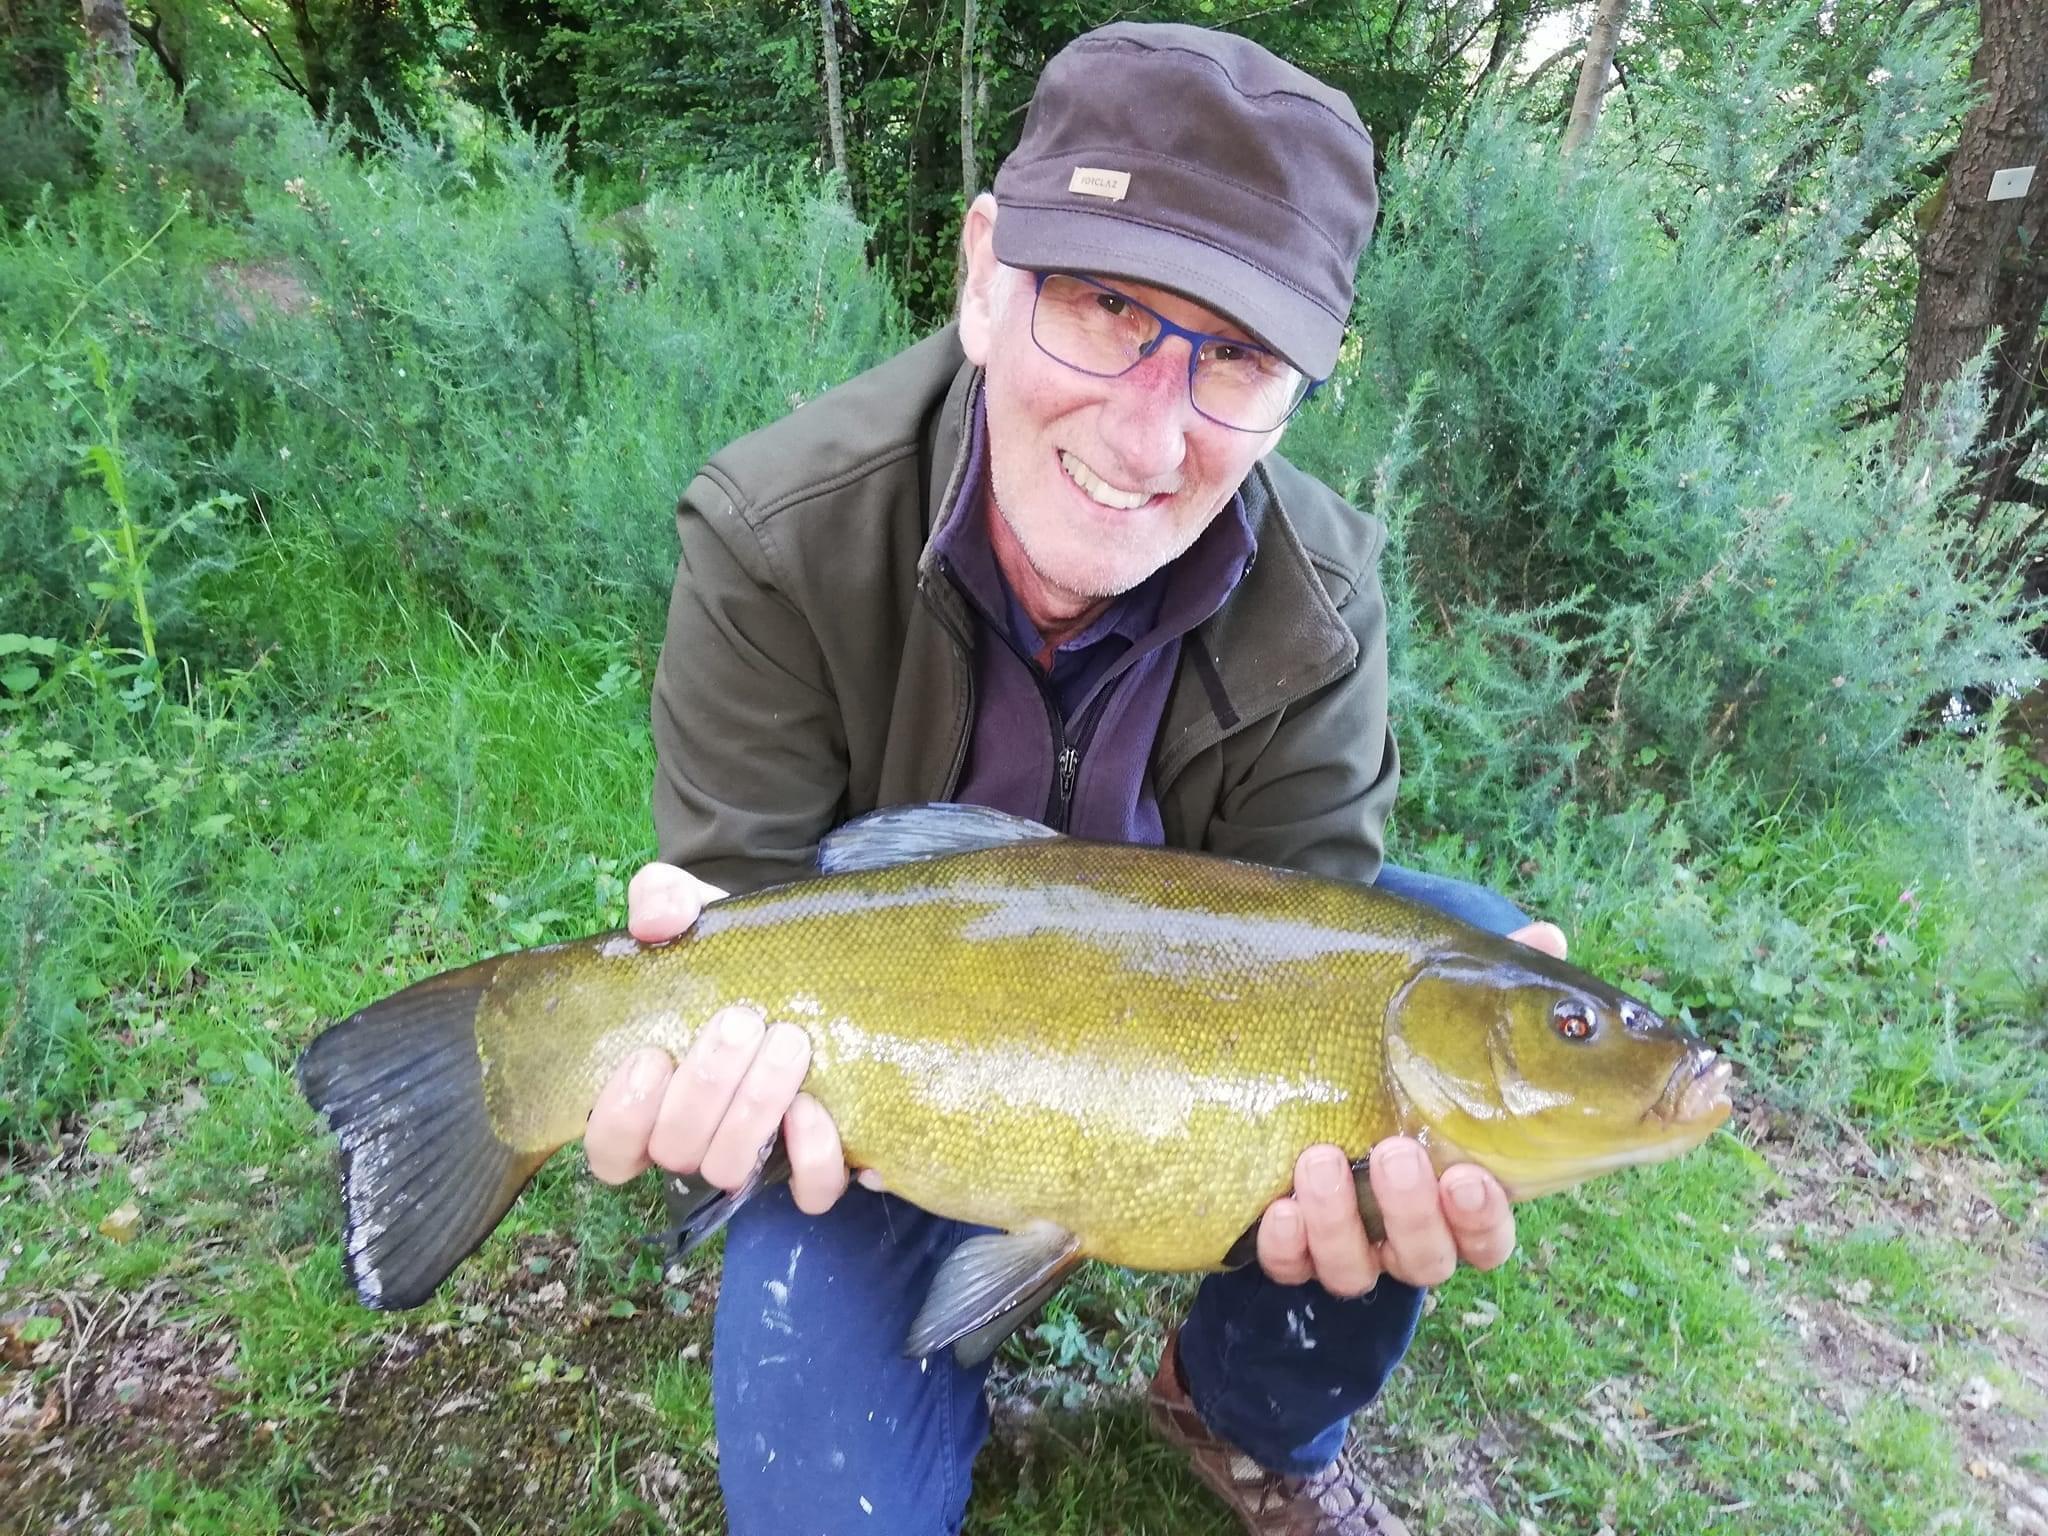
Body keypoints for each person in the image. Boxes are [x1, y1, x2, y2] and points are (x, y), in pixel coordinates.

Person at [582, 23, 1567, 1536]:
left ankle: (1240, 1412)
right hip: (891, 1068)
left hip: (1196, 1067)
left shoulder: (1326, 594)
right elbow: (752, 909)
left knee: (1438, 989)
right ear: (985, 275)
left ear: (1300, 390)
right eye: (1108, 308)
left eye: (1235, 355)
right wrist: (692, 1040)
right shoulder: (777, 529)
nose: (1150, 428)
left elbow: (1314, 926)